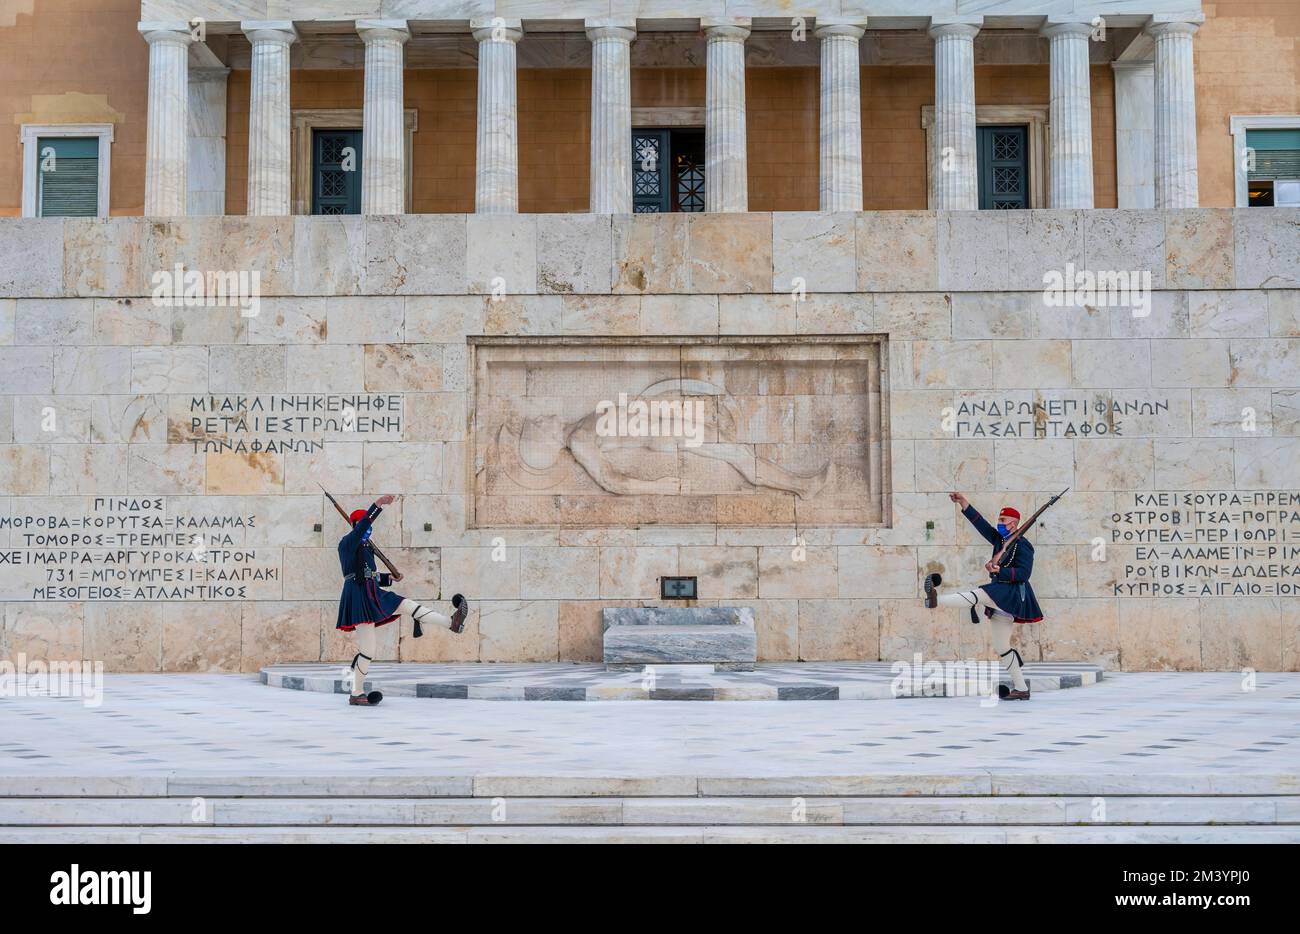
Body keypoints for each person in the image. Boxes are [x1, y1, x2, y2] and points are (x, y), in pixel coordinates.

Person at [337, 493, 469, 707]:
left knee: (408, 605)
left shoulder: (366, 549)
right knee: (368, 650)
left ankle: (452, 623)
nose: (367, 529)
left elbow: (370, 575)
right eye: (363, 525)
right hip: (358, 596)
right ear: (356, 525)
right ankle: (356, 693)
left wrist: (390, 578)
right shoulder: (347, 544)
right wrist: (377, 506)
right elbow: (357, 570)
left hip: (373, 592)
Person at [923, 492, 1043, 701]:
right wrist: (964, 503)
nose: (999, 523)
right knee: (1002, 646)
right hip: (1001, 596)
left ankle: (936, 599)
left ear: (1014, 523)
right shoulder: (1000, 540)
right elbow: (982, 526)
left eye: (1003, 520)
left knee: (979, 594)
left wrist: (998, 571)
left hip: (1011, 593)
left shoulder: (1023, 545)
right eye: (999, 519)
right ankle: (1022, 689)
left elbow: (1024, 574)